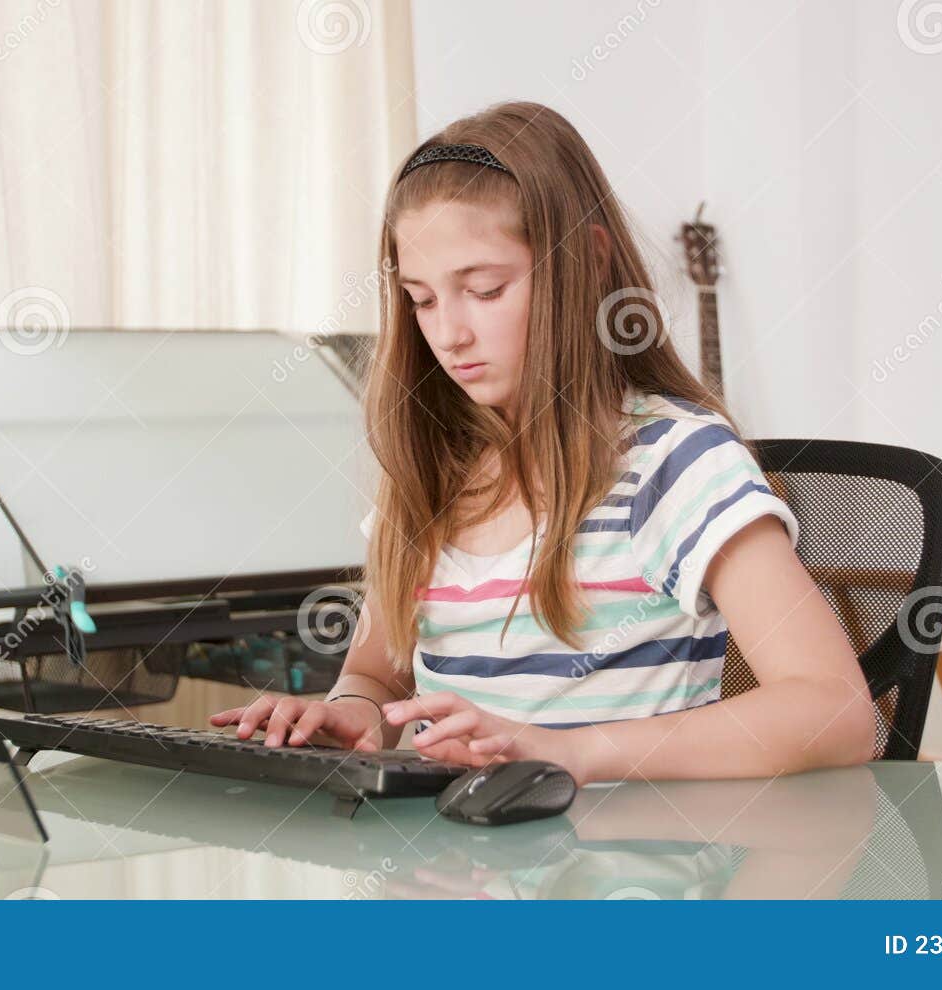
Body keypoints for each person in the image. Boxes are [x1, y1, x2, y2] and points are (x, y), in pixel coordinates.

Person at [212, 101, 874, 784]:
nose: (449, 334)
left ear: (584, 261)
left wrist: (571, 752)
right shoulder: (430, 471)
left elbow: (836, 711)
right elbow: (376, 674)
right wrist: (353, 710)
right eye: (423, 299)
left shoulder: (673, 463)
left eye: (484, 290)